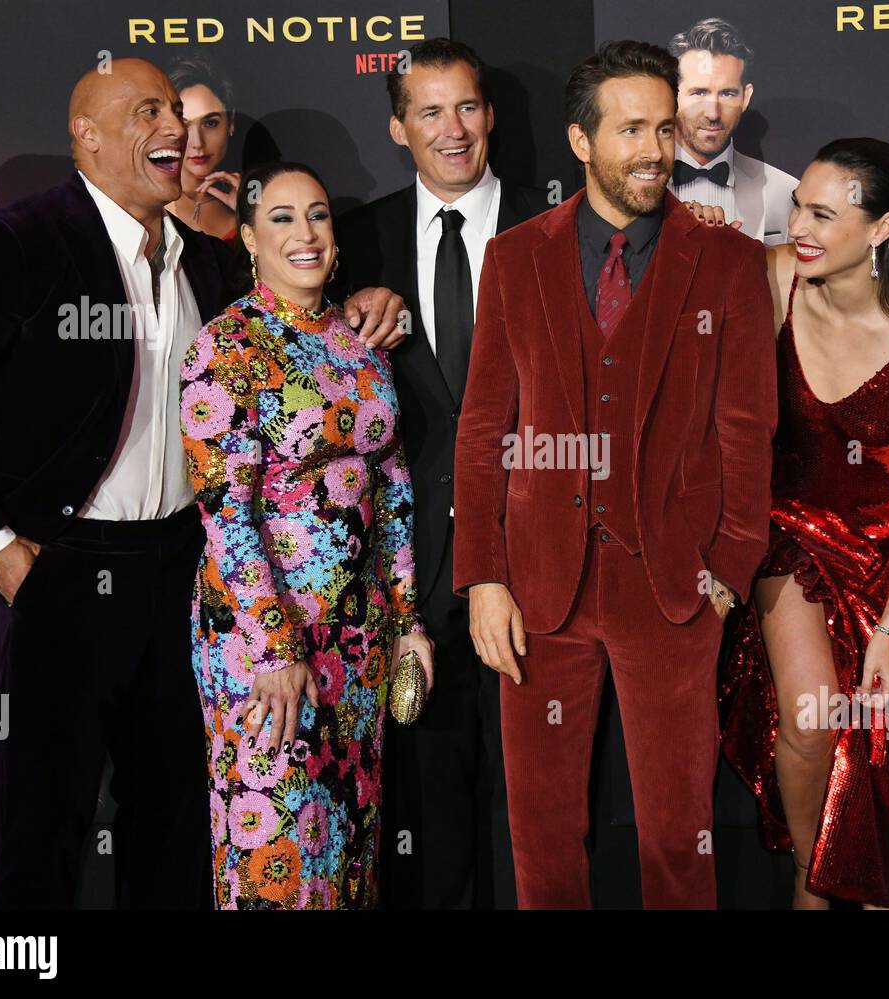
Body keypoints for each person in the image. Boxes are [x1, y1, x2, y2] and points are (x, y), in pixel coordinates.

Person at [0, 58, 407, 909]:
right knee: (40, 832)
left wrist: (364, 299)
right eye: (147, 113)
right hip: (60, 567)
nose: (175, 129)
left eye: (176, 110)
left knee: (175, 827)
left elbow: (288, 312)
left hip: (183, 570)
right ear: (86, 136)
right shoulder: (18, 242)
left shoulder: (209, 264)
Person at [453, 40, 776, 909]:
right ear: (580, 142)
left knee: (679, 836)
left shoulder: (733, 262)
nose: (653, 150)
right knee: (543, 834)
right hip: (536, 589)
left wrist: (731, 570)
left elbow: (747, 428)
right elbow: (486, 427)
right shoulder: (516, 258)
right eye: (630, 128)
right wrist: (482, 574)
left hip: (674, 586)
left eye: (664, 128)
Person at [721, 137, 889, 910]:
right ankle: (810, 877)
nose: (800, 225)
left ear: (884, 226)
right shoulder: (773, 278)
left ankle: (881, 894)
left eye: (824, 214)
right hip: (791, 533)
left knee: (879, 754)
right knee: (807, 716)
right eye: (798, 206)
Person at [180, 161, 434, 910]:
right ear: (250, 239)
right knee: (277, 848)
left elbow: (393, 491)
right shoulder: (226, 349)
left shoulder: (360, 346)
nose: (305, 233)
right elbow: (227, 513)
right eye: (282, 217)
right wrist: (275, 646)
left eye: (318, 214)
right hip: (263, 644)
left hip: (358, 638)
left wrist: (407, 616)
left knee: (347, 840)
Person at [337, 37, 549, 910]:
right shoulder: (351, 240)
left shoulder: (555, 226)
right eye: (429, 111)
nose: (452, 129)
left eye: (466, 106)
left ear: (490, 114)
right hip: (404, 569)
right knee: (426, 810)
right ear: (398, 126)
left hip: (538, 555)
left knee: (536, 805)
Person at [666, 17, 797, 245]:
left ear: (745, 97)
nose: (713, 113)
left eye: (727, 94)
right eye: (699, 93)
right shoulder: (637, 185)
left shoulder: (786, 191)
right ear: (672, 94)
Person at [165, 55, 240, 242]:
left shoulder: (246, 209)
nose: (198, 142)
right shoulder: (144, 206)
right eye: (184, 123)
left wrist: (252, 215)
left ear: (230, 124)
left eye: (210, 123)